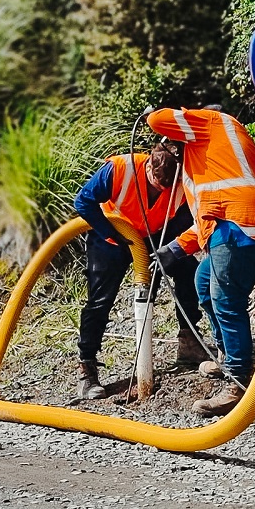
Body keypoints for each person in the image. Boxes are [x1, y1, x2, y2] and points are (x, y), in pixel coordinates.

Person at [148, 107, 255, 417]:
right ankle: (228, 358)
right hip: (231, 226)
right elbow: (205, 224)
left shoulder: (213, 123)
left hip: (242, 225)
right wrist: (174, 249)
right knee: (203, 283)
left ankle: (238, 383)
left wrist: (155, 115)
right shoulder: (207, 161)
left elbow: (155, 120)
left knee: (225, 298)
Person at [73, 143, 203, 400]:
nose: (160, 188)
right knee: (100, 300)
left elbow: (188, 217)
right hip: (110, 238)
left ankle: (189, 341)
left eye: (166, 186)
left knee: (188, 268)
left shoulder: (182, 178)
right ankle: (86, 368)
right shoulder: (120, 169)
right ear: (148, 166)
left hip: (153, 238)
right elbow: (84, 201)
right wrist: (111, 233)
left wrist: (167, 251)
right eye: (156, 182)